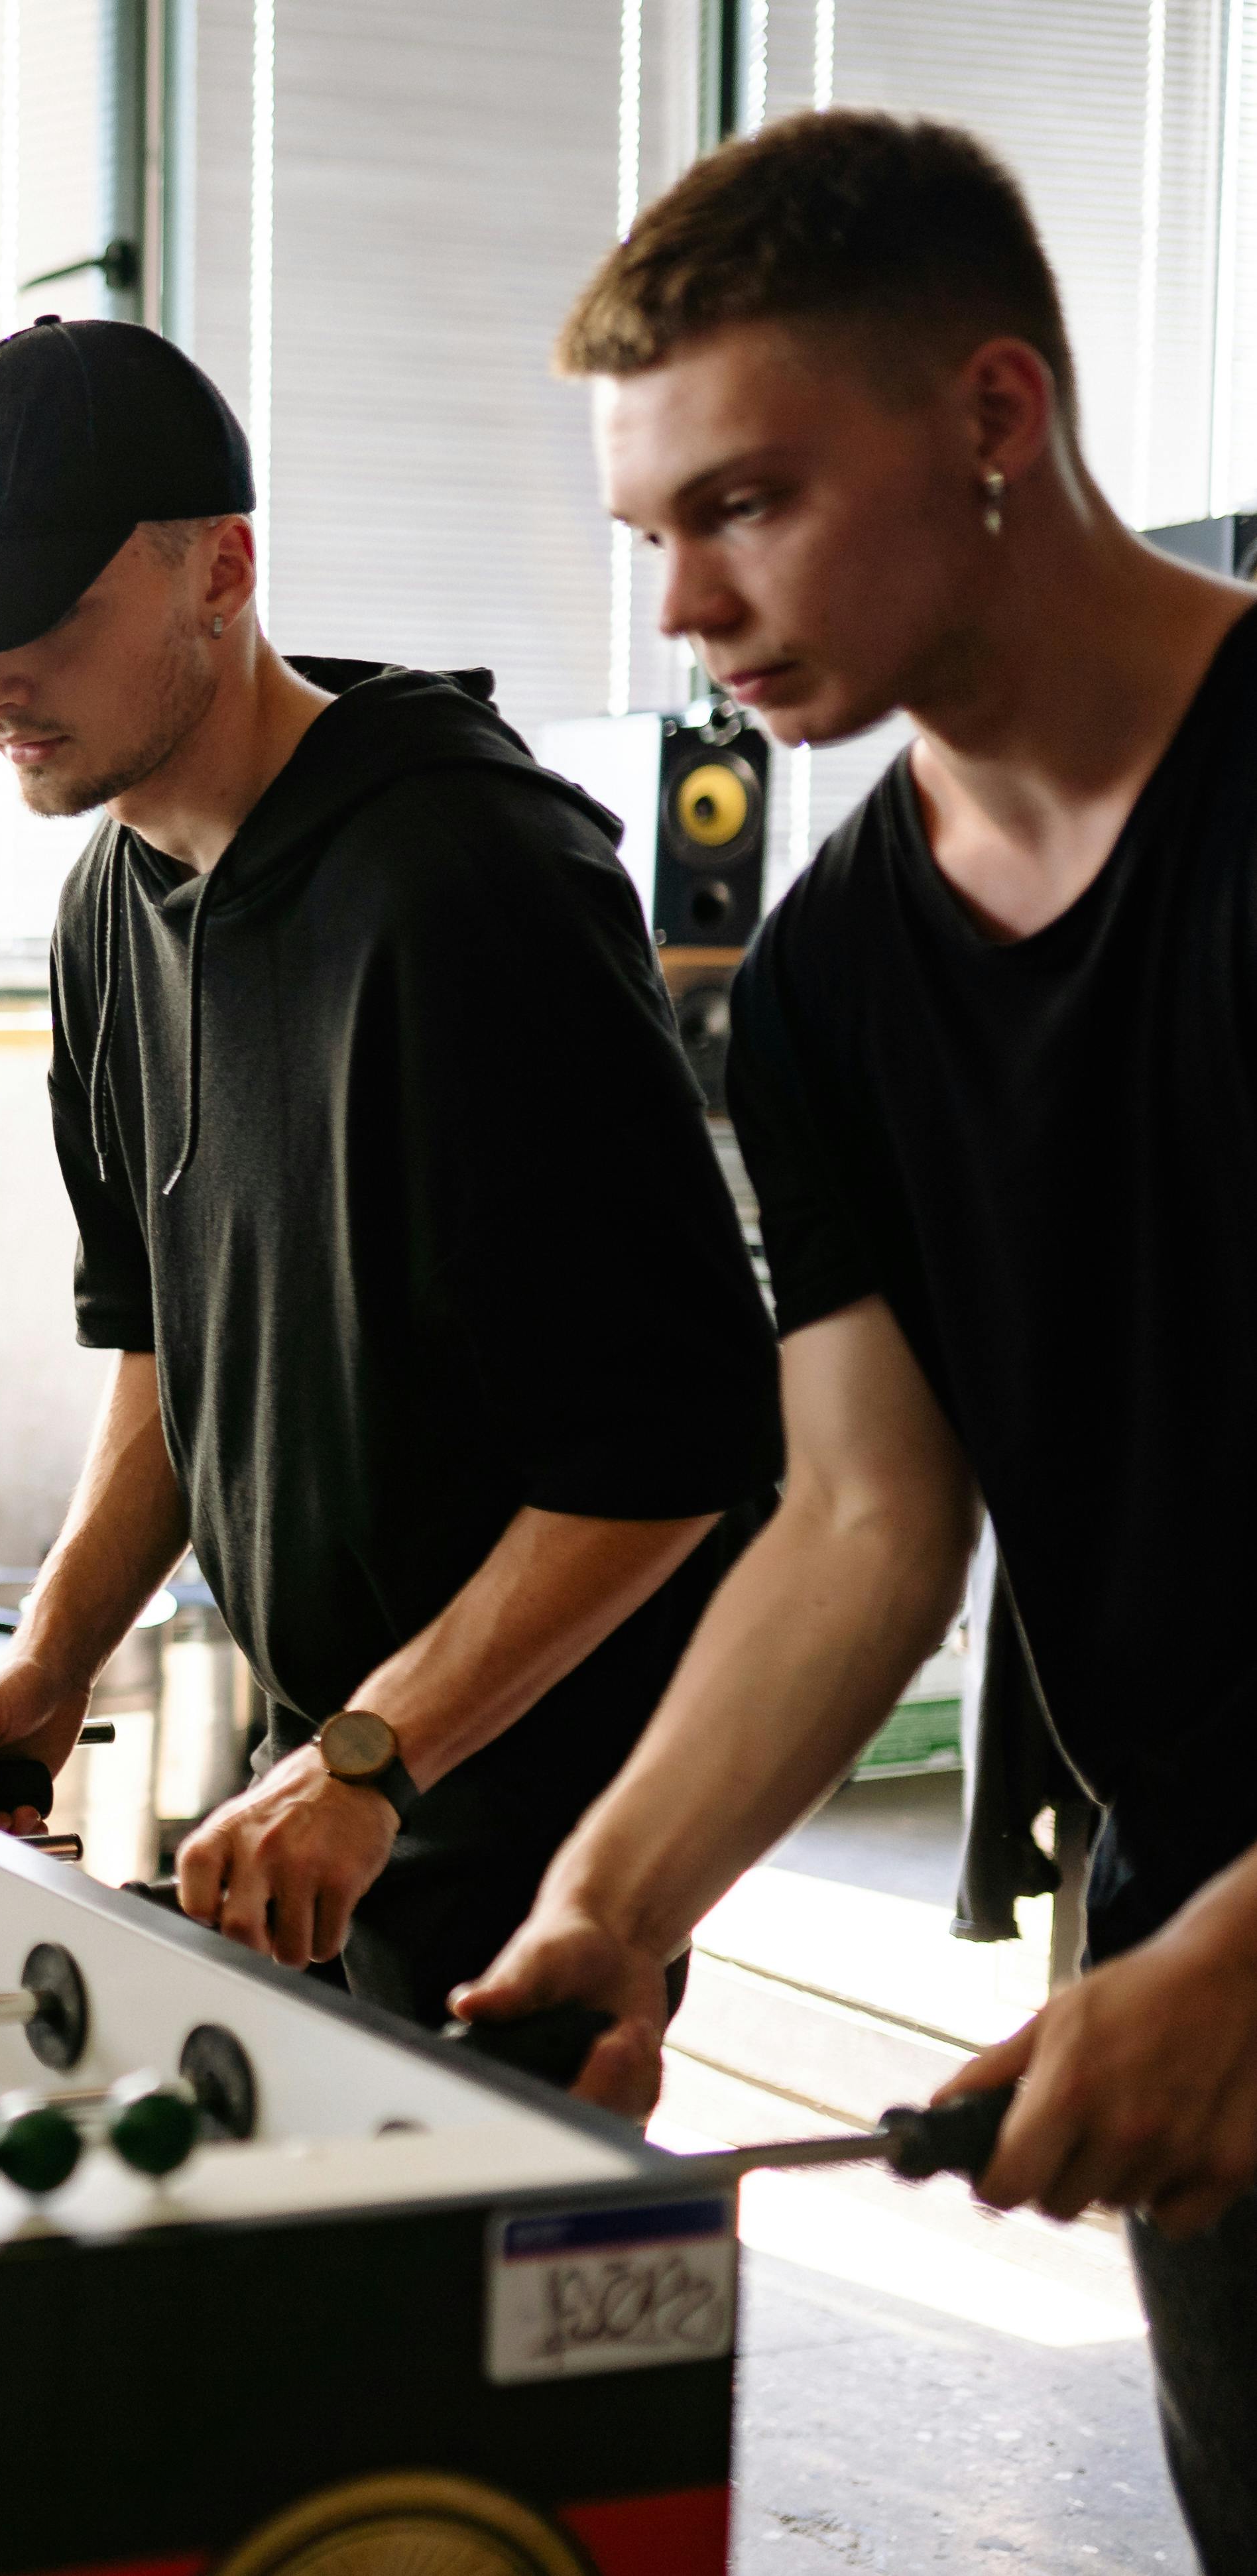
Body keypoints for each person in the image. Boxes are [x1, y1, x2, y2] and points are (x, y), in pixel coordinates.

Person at [456, 111, 1257, 2563]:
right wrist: (615, 1896)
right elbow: (867, 1517)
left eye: (750, 504)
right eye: (651, 537)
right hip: (1195, 1920)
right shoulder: (826, 984)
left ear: (995, 417)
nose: (685, 605)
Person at [0, 318, 781, 2026]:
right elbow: (167, 1345)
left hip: (522, 1806)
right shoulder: (111, 901)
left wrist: (372, 1760)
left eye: (43, 621)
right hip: (329, 1780)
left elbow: (674, 1451)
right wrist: (55, 1654)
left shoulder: (468, 886)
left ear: (223, 569)